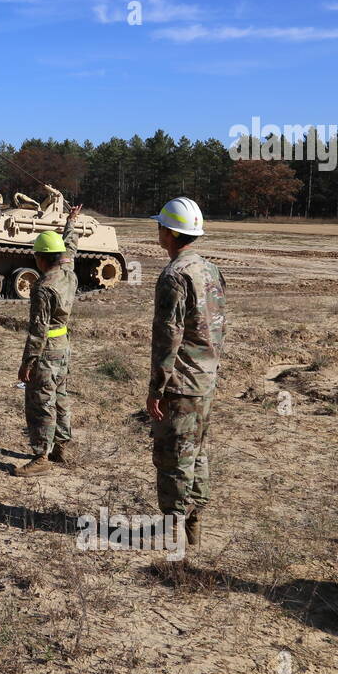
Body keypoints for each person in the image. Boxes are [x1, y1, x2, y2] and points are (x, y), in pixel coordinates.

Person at [146, 197, 226, 550]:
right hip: (206, 378)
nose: (158, 231)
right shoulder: (210, 270)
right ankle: (194, 521)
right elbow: (218, 324)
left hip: (181, 382)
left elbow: (168, 338)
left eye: (160, 226)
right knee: (197, 451)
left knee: (173, 456)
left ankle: (173, 529)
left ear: (170, 232)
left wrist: (156, 389)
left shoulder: (175, 276)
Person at [15, 204, 83, 477]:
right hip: (63, 347)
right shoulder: (68, 272)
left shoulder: (43, 287)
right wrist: (71, 222)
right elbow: (72, 247)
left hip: (45, 351)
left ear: (41, 258)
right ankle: (61, 445)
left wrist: (27, 364)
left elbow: (37, 330)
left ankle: (41, 455)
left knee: (40, 401)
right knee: (61, 397)